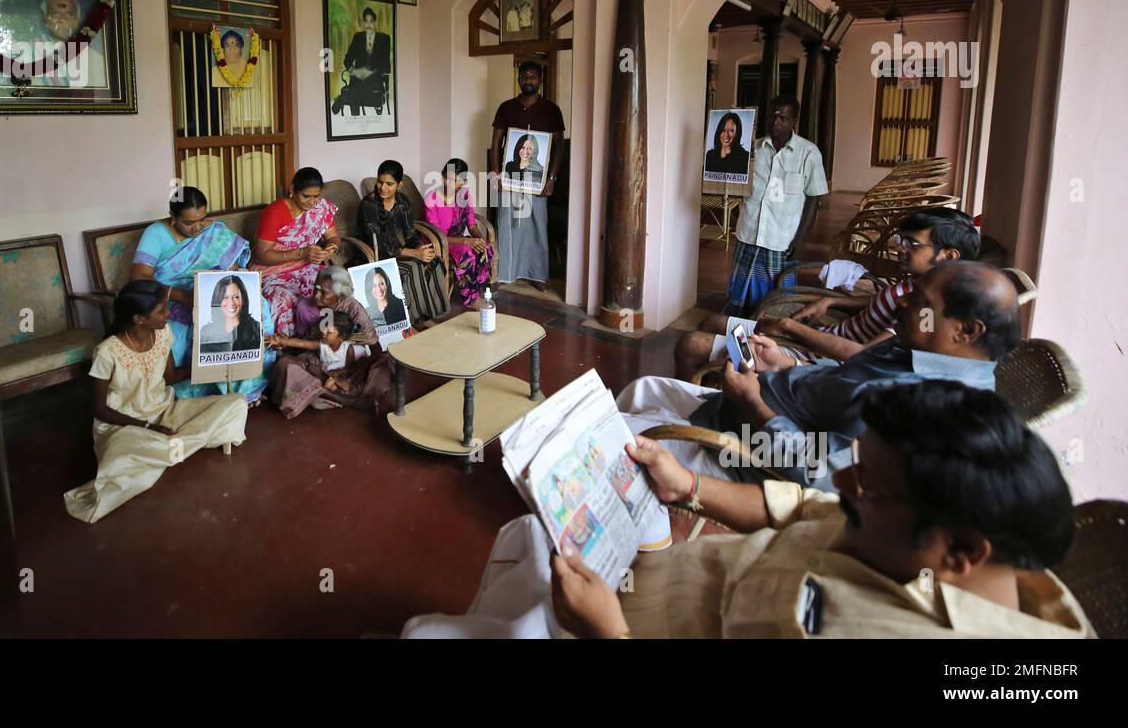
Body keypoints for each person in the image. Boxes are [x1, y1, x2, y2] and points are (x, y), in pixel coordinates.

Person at [404, 380, 1091, 638]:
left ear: (960, 552)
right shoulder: (906, 536)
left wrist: (609, 633)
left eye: (867, 485)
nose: (842, 482)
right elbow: (801, 508)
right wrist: (688, 488)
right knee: (532, 529)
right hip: (674, 583)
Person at [623, 261, 1019, 499]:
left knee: (609, 439)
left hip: (739, 455)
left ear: (966, 330)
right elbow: (843, 379)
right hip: (734, 410)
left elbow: (822, 475)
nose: (902, 301)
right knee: (639, 390)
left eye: (919, 302)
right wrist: (780, 366)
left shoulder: (925, 406)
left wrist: (753, 404)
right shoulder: (916, 349)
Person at [675, 206, 980, 378]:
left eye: (911, 244)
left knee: (691, 343)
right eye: (903, 239)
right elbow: (882, 302)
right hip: (823, 334)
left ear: (948, 256)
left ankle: (701, 402)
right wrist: (831, 300)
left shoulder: (925, 308)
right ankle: (708, 388)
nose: (900, 249)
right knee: (714, 323)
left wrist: (788, 326)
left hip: (821, 362)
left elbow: (863, 356)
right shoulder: (919, 281)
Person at [63, 281, 248, 524]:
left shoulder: (163, 333)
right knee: (118, 459)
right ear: (139, 319)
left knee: (237, 403)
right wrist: (148, 427)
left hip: (166, 410)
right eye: (161, 310)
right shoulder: (106, 353)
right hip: (124, 427)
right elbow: (98, 408)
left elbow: (169, 377)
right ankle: (178, 444)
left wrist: (212, 362)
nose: (168, 313)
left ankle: (169, 446)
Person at [129, 185, 270, 405]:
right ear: (172, 217)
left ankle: (245, 384)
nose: (197, 228)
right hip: (172, 297)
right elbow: (139, 277)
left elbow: (231, 266)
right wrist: (183, 296)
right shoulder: (156, 233)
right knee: (181, 331)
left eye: (202, 219)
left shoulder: (213, 231)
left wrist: (220, 286)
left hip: (212, 292)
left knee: (256, 307)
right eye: (189, 222)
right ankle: (207, 389)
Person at [723, 95, 827, 316]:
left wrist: (801, 238)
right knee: (741, 290)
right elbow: (734, 185)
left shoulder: (808, 153)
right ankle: (738, 323)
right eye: (772, 116)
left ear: (794, 122)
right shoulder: (751, 150)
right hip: (749, 232)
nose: (775, 121)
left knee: (777, 293)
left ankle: (772, 327)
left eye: (782, 117)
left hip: (782, 238)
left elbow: (814, 197)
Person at [490, 61, 565, 291]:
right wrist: (496, 174)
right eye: (523, 77)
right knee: (506, 223)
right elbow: (496, 143)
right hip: (509, 175)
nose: (527, 81)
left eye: (532, 77)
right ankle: (506, 273)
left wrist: (552, 179)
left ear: (540, 80)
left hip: (538, 178)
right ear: (518, 79)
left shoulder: (551, 109)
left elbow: (559, 146)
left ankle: (538, 275)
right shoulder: (506, 107)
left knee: (536, 225)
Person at [252, 167, 341, 336]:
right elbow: (261, 255)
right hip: (273, 271)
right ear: (292, 189)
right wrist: (301, 253)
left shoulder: (321, 209)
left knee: (332, 288)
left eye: (317, 196)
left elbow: (334, 237)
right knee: (284, 298)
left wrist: (330, 250)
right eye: (306, 196)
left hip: (308, 266)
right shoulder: (275, 211)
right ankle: (287, 347)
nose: (312, 202)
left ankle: (328, 340)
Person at [358, 160, 449, 322]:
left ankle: (436, 313)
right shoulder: (369, 205)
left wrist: (422, 249)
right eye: (380, 181)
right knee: (413, 266)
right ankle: (414, 320)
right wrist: (415, 253)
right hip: (373, 256)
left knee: (434, 260)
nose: (382, 187)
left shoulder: (402, 201)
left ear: (400, 185)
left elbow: (410, 234)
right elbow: (380, 245)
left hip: (396, 252)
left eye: (389, 184)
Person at [268, 311, 394, 418]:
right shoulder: (322, 344)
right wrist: (280, 340)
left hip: (340, 376)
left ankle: (332, 393)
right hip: (325, 373)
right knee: (306, 364)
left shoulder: (347, 348)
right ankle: (326, 391)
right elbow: (301, 343)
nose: (323, 333)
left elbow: (349, 368)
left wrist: (336, 376)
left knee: (340, 384)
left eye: (329, 332)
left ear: (341, 337)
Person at [423, 158, 493, 308]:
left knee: (485, 248)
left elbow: (472, 225)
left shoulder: (464, 196)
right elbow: (438, 236)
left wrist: (481, 241)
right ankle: (471, 299)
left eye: (455, 180)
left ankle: (476, 289)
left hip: (457, 240)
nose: (449, 183)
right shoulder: (432, 199)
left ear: (464, 182)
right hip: (437, 242)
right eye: (446, 177)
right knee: (467, 251)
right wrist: (466, 241)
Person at [334, 6, 392, 116]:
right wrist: (353, 70)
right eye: (366, 21)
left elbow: (386, 65)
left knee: (353, 91)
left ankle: (341, 99)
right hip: (358, 78)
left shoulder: (384, 39)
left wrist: (370, 72)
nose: (368, 24)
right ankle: (355, 119)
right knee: (355, 88)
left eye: (371, 21)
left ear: (375, 22)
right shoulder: (358, 37)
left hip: (375, 79)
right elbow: (348, 59)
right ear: (363, 23)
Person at [197, 274, 264, 355]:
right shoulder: (206, 331)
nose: (231, 303)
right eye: (225, 297)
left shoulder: (256, 329)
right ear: (218, 302)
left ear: (243, 300)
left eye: (236, 297)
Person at [703, 110, 750, 176]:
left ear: (737, 133)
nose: (726, 135)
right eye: (723, 130)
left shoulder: (745, 157)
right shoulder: (710, 155)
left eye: (731, 130)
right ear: (719, 132)